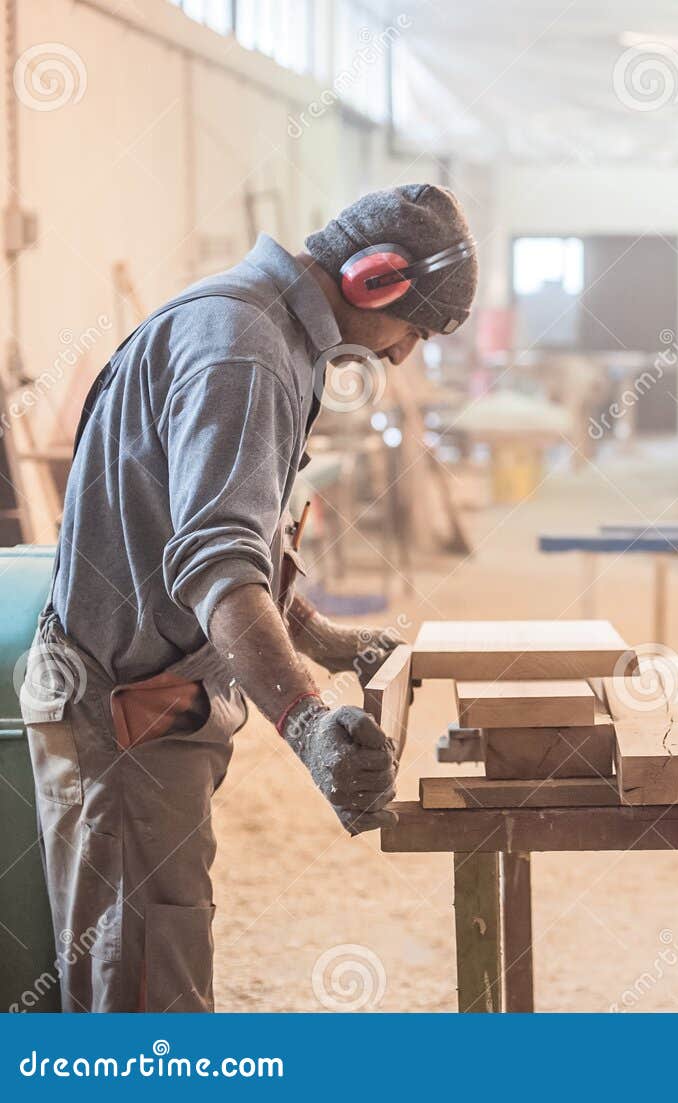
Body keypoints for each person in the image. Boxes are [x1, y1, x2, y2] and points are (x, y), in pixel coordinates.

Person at [23, 184, 478, 1012]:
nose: (406, 354)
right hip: (123, 712)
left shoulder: (262, 326)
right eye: (416, 327)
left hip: (146, 695)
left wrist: (322, 637)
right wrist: (306, 724)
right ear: (374, 280)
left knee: (151, 959)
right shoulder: (246, 348)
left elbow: (223, 525)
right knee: (143, 1001)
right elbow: (215, 563)